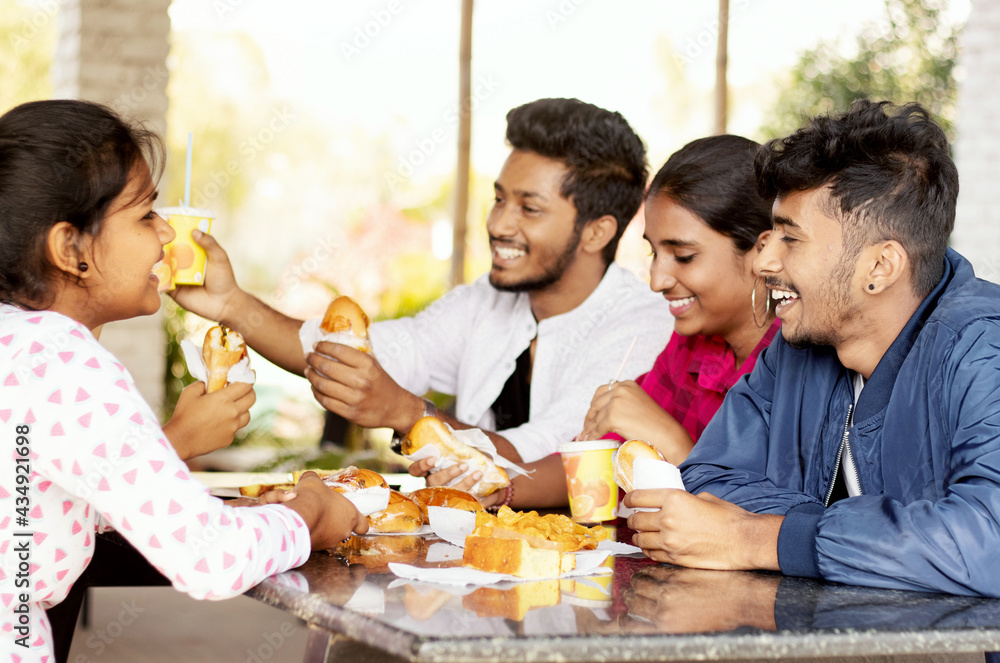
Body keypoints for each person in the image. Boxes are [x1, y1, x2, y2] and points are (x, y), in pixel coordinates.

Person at [0, 99, 368, 663]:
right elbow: (210, 557)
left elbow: (31, 494)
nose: (168, 230)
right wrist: (311, 516)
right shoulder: (60, 357)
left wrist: (173, 444)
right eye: (146, 214)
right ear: (70, 248)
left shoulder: (17, 344)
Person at [626, 99, 1000, 600]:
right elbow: (709, 475)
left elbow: (987, 544)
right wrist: (876, 540)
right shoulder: (798, 345)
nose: (764, 261)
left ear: (880, 267)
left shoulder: (983, 349)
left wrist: (757, 538)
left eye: (790, 239)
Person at [172, 98, 671, 464]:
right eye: (499, 199)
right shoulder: (486, 302)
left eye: (529, 208)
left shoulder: (639, 328)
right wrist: (232, 304)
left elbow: (546, 461)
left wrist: (409, 413)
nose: (498, 224)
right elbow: (356, 354)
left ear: (597, 231)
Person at [423, 135, 780, 507]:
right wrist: (502, 489)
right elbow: (602, 463)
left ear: (763, 249)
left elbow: (765, 523)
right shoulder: (689, 347)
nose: (657, 280)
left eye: (684, 256)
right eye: (654, 253)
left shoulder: (800, 364)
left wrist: (670, 441)